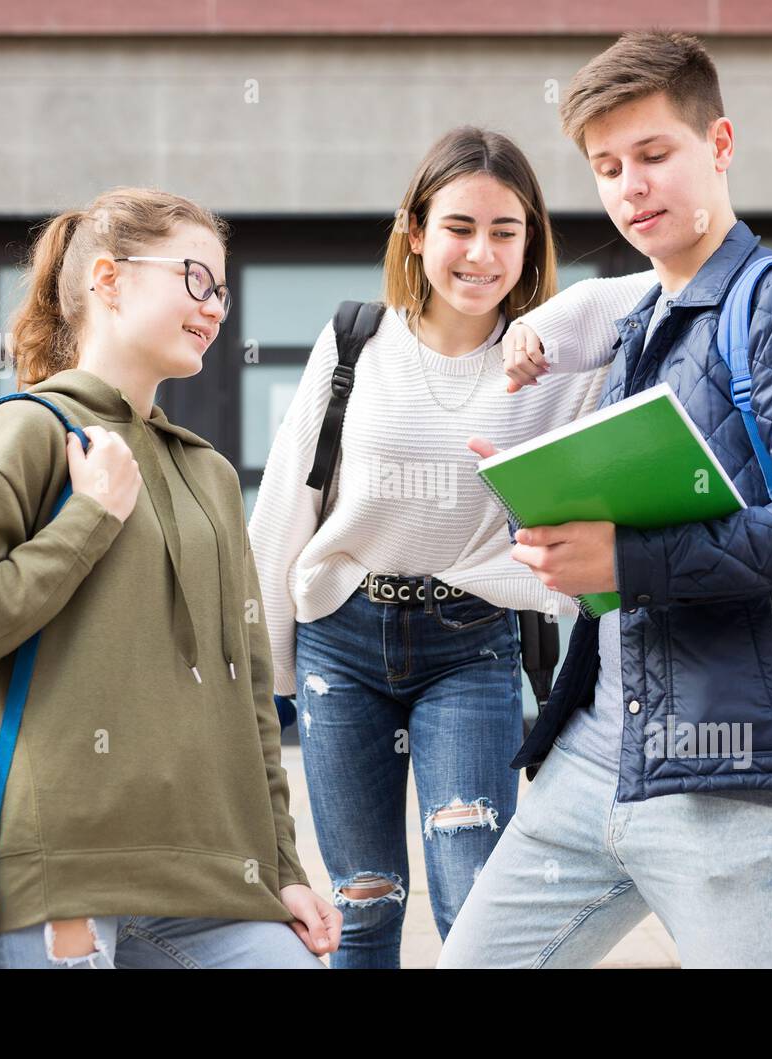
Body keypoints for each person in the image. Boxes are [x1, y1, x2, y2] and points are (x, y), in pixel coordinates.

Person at [439, 30, 772, 968]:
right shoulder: (639, 321)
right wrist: (551, 520)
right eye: (607, 167)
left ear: (719, 145)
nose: (629, 187)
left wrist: (632, 560)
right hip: (594, 764)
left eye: (654, 155)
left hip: (746, 782)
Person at [248, 126, 655, 968]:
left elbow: (676, 279)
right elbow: (288, 500)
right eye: (459, 228)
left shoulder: (558, 362)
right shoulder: (358, 340)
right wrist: (263, 674)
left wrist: (553, 315)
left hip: (470, 647)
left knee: (476, 906)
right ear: (417, 232)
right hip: (342, 640)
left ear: (532, 241)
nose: (481, 253)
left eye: (508, 231)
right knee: (363, 901)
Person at [0, 186, 337, 969]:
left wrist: (282, 866)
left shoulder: (207, 473)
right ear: (108, 279)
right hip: (62, 880)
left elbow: (252, 697)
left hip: (213, 882)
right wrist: (88, 518)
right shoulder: (28, 429)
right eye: (194, 279)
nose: (214, 307)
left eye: (223, 290)